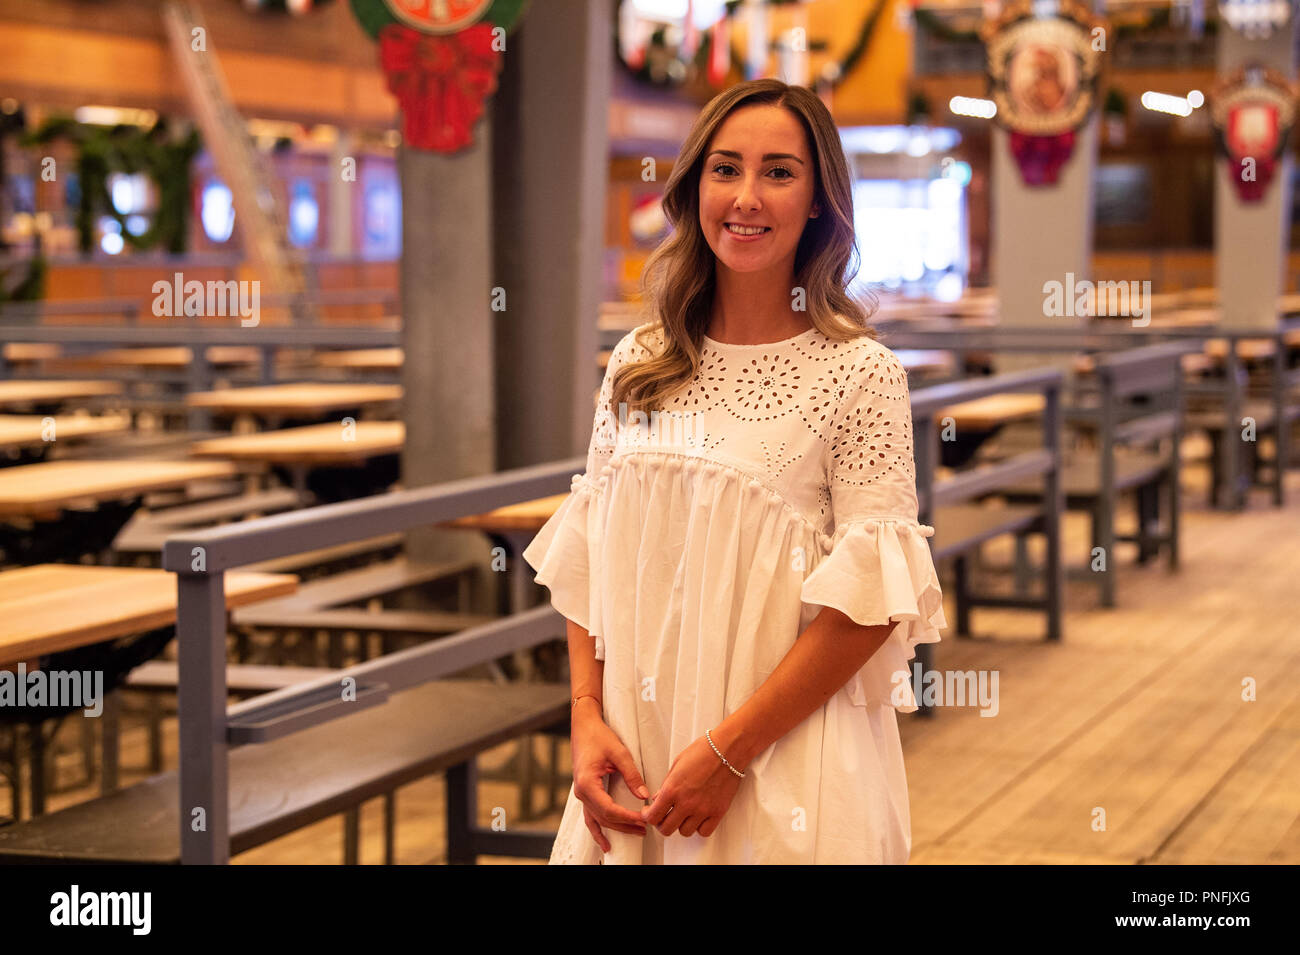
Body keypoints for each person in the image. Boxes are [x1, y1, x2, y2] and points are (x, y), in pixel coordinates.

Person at [522, 78, 946, 864]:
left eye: (779, 172)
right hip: (637, 757)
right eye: (726, 169)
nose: (746, 197)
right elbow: (591, 550)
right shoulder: (638, 363)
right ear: (694, 187)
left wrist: (728, 754)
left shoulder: (859, 373)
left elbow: (871, 606)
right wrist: (586, 714)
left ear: (819, 200)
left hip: (781, 764)